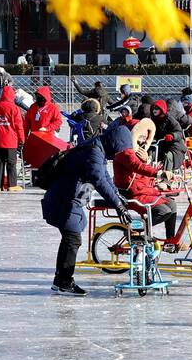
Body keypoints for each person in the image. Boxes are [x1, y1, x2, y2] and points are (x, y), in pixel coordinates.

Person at [41, 122, 129, 297]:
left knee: (69, 240)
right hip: (64, 199)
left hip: (67, 197)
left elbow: (105, 178)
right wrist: (117, 205)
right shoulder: (94, 152)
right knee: (72, 240)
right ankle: (64, 282)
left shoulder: (97, 148)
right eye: (118, 149)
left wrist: (117, 197)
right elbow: (99, 180)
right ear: (113, 143)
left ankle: (61, 280)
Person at [112, 124, 178, 240]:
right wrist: (158, 173)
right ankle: (135, 230)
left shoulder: (138, 152)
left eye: (146, 138)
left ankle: (170, 240)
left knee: (172, 204)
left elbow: (143, 176)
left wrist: (156, 183)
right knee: (163, 211)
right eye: (141, 137)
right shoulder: (125, 153)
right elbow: (138, 167)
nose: (144, 141)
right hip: (132, 194)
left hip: (142, 191)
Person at [0, 85, 26, 192]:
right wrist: (22, 140)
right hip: (10, 140)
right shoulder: (14, 108)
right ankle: (12, 185)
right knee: (11, 163)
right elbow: (19, 126)